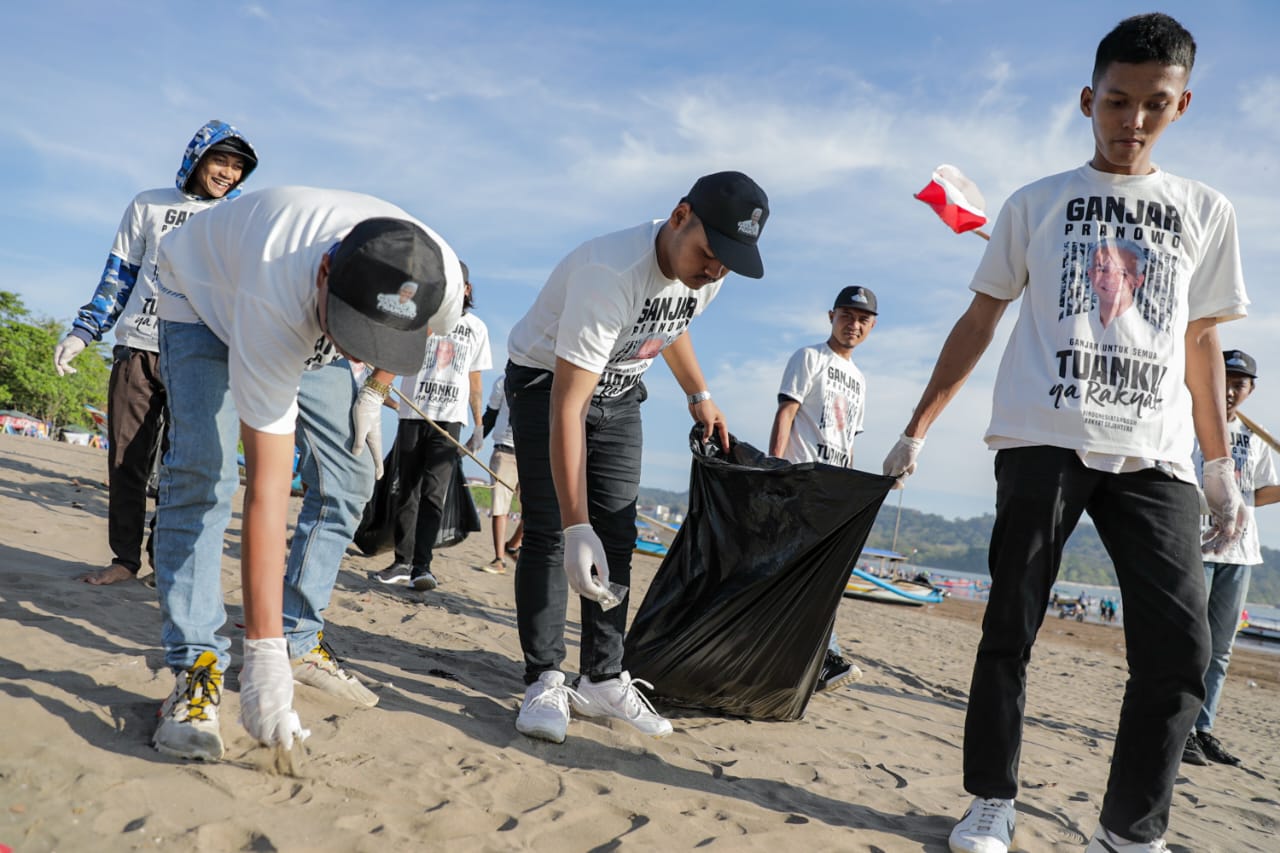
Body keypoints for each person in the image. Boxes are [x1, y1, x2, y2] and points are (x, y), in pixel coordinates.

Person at [880, 15, 1248, 852]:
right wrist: (918, 427)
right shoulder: (1035, 203)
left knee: (1181, 649)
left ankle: (1128, 830)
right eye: (1117, 101)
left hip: (1154, 455)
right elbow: (981, 319)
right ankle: (990, 801)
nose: (1134, 122)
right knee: (1009, 625)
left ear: (1182, 104)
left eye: (1155, 105)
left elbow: (1199, 342)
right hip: (1041, 438)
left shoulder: (1205, 211)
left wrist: (1218, 460)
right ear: (1089, 98)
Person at [150, 186, 464, 761]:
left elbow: (406, 336)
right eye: (353, 332)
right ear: (324, 271)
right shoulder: (272, 293)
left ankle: (298, 637)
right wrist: (259, 651)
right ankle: (196, 667)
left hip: (311, 312)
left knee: (349, 476)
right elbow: (267, 490)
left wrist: (372, 389)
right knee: (206, 476)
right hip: (202, 296)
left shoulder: (438, 282)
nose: (358, 347)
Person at [505, 170, 770, 744]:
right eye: (710, 252)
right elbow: (567, 408)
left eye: (728, 260)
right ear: (680, 216)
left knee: (618, 532)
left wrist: (699, 394)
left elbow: (670, 323)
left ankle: (602, 678)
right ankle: (544, 678)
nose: (715, 269)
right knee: (553, 534)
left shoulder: (706, 272)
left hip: (622, 390)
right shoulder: (609, 273)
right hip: (547, 383)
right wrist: (578, 525)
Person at [52, 120, 258, 586]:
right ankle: (124, 560)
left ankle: (164, 561)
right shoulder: (149, 203)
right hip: (139, 346)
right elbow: (118, 275)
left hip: (203, 352)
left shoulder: (242, 216)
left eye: (238, 166)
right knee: (126, 459)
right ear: (197, 158)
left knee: (185, 464)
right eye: (220, 160)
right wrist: (84, 332)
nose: (229, 173)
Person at [768, 284, 878, 693]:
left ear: (872, 328)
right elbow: (787, 412)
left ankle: (811, 658)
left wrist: (850, 492)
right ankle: (824, 658)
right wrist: (774, 470)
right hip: (801, 478)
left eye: (863, 320)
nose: (854, 325)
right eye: (847, 316)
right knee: (807, 575)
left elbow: (849, 441)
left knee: (818, 575)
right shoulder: (809, 357)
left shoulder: (860, 380)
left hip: (834, 490)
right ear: (831, 316)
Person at [1183, 350, 1280, 768]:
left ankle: (1203, 730)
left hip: (1240, 552)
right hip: (1194, 545)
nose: (1230, 389)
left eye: (1240, 384)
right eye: (1226, 379)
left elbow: (1271, 488)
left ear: (1250, 390)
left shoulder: (1255, 438)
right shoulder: (1188, 422)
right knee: (1190, 643)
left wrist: (1237, 505)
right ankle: (1180, 728)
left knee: (1220, 650)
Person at [374, 264, 491, 591]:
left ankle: (421, 567)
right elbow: (395, 359)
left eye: (459, 286)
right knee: (406, 488)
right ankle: (402, 560)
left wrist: (479, 424)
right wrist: (381, 395)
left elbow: (475, 379)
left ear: (467, 289)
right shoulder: (419, 318)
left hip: (449, 420)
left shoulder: (477, 328)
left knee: (433, 494)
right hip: (413, 414)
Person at [480, 374, 520, 574]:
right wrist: (474, 442)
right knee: (500, 506)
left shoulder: (550, 376)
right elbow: (490, 415)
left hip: (535, 453)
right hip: (505, 449)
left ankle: (512, 545)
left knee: (535, 509)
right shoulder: (503, 380)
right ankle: (499, 558)